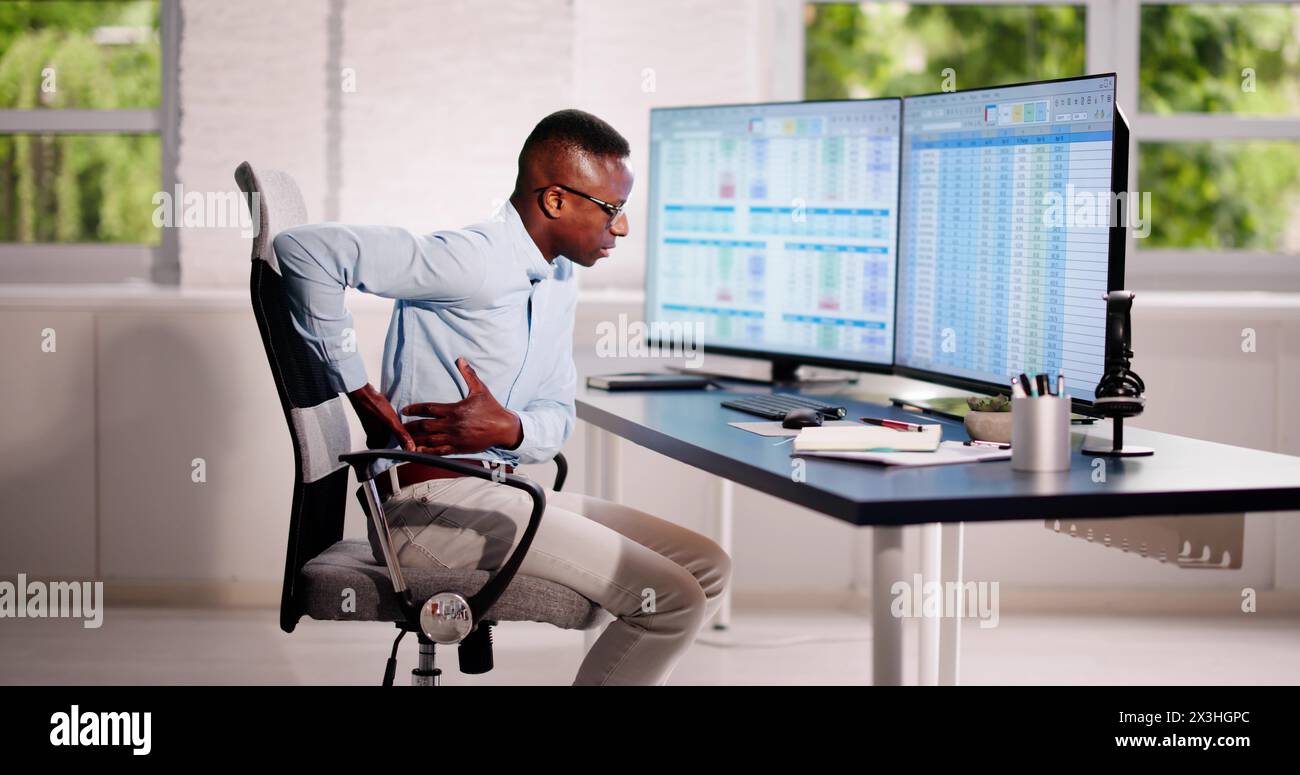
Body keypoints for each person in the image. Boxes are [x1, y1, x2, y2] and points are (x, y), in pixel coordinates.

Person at [272, 109, 731, 685]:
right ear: (557, 201)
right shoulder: (473, 260)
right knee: (673, 600)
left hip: (500, 489)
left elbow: (558, 418)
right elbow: (303, 251)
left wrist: (508, 429)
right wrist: (356, 385)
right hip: (430, 510)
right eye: (612, 210)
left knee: (707, 567)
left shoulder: (561, 282)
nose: (621, 229)